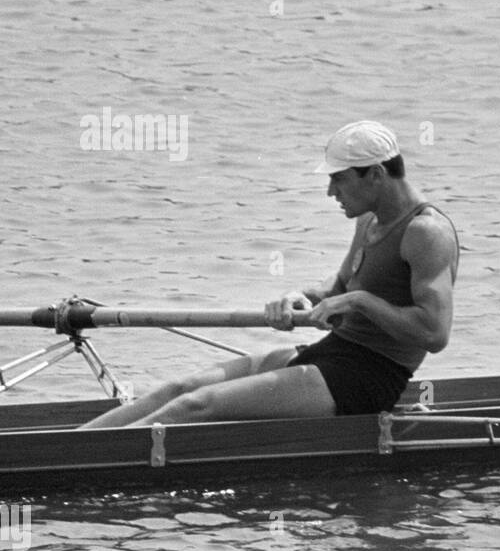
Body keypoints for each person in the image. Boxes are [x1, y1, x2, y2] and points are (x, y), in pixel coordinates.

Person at [80, 120, 458, 428]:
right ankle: (70, 443)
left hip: (368, 378)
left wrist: (360, 302)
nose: (330, 192)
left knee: (194, 407)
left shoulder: (425, 233)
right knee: (179, 388)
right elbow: (341, 286)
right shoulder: (368, 219)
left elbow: (434, 332)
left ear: (375, 175)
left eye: (338, 179)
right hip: (333, 353)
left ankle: (79, 465)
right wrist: (303, 297)